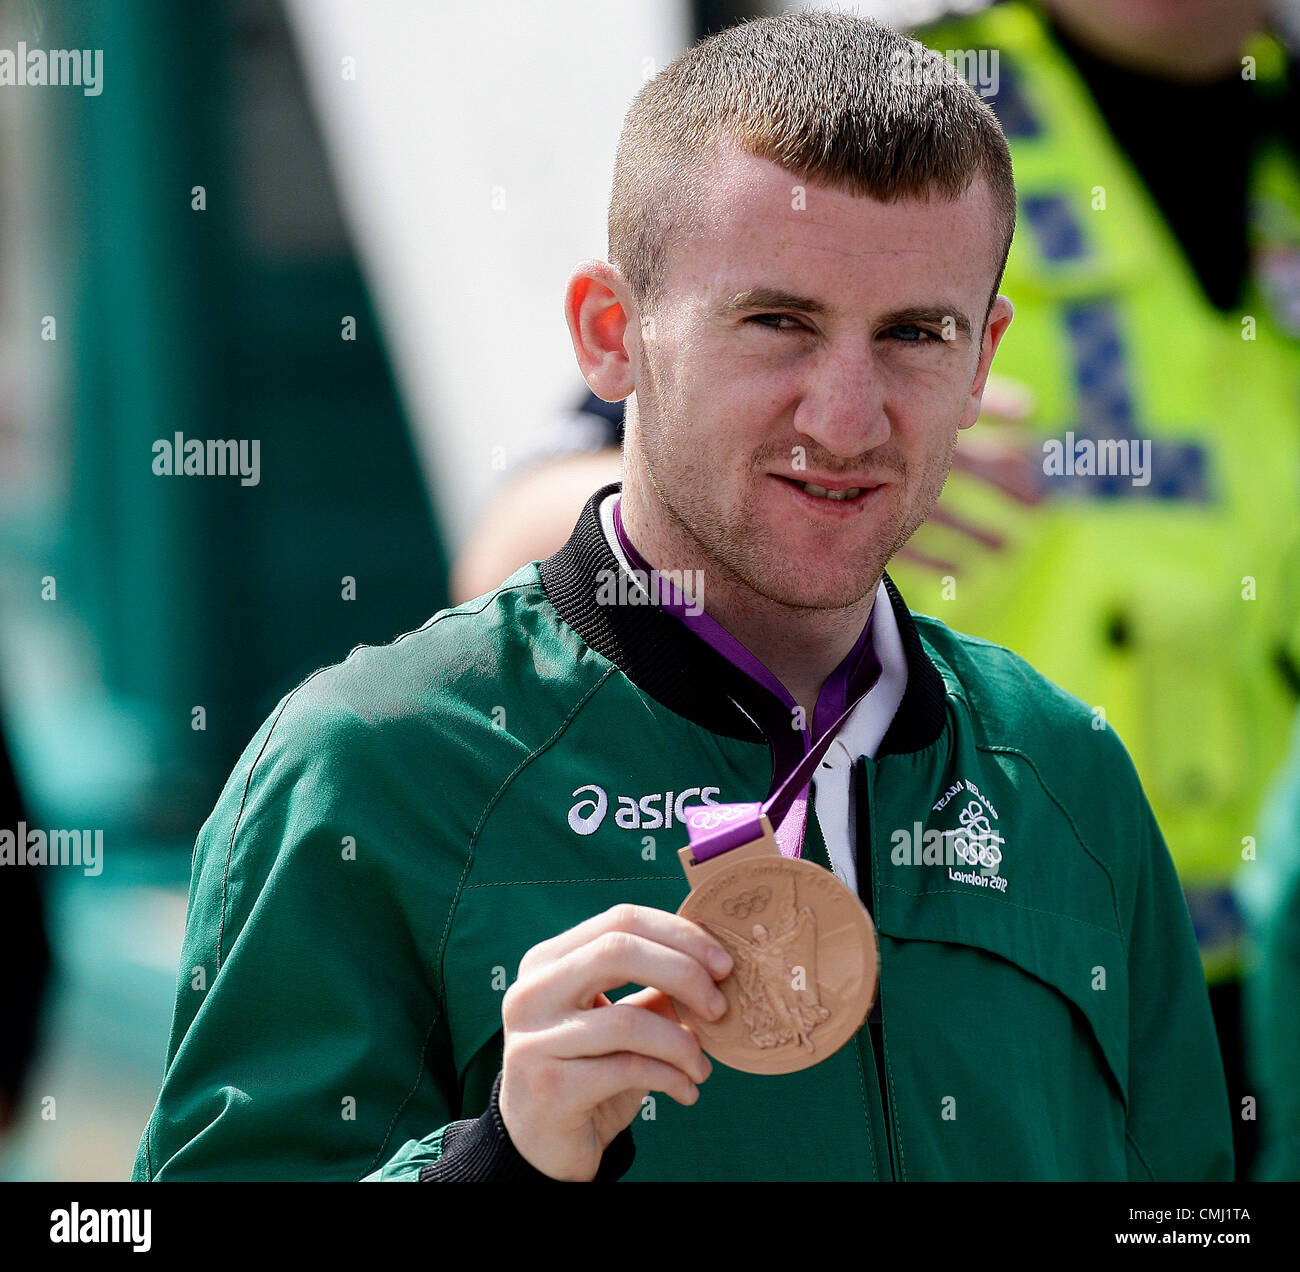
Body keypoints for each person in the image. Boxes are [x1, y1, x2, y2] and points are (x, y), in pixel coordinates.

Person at [133, 11, 1232, 1182]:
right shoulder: (368, 765)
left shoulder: (1066, 777)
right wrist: (499, 1164)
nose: (845, 418)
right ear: (612, 336)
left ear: (981, 358)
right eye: (777, 324)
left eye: (914, 333)